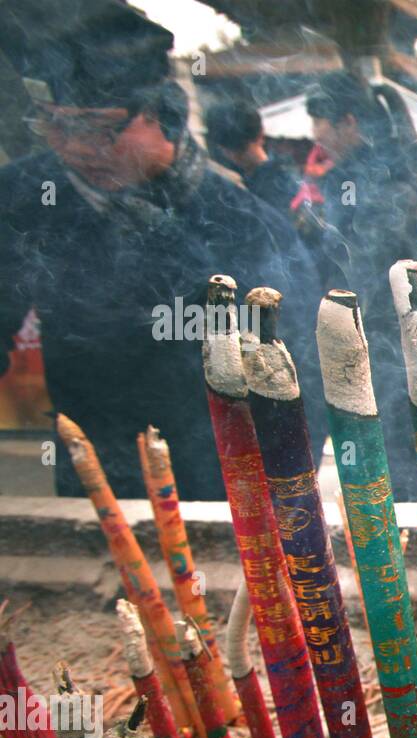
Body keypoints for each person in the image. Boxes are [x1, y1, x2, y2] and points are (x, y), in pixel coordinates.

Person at [0, 0, 324, 500]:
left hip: (214, 485)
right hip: (93, 478)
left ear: (164, 116)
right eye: (51, 123)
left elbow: (295, 371)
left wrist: (284, 497)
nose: (73, 147)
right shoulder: (25, 197)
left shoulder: (244, 224)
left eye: (95, 129)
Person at [306, 70, 417, 501]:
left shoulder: (382, 186)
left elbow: (363, 267)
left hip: (388, 337)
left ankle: (413, 542)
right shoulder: (367, 175)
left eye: (321, 122)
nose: (316, 135)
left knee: (402, 449)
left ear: (349, 121)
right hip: (389, 333)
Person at [203, 96, 301, 217]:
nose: (234, 156)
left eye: (241, 149)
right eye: (227, 150)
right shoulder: (228, 176)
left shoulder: (280, 180)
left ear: (260, 135)